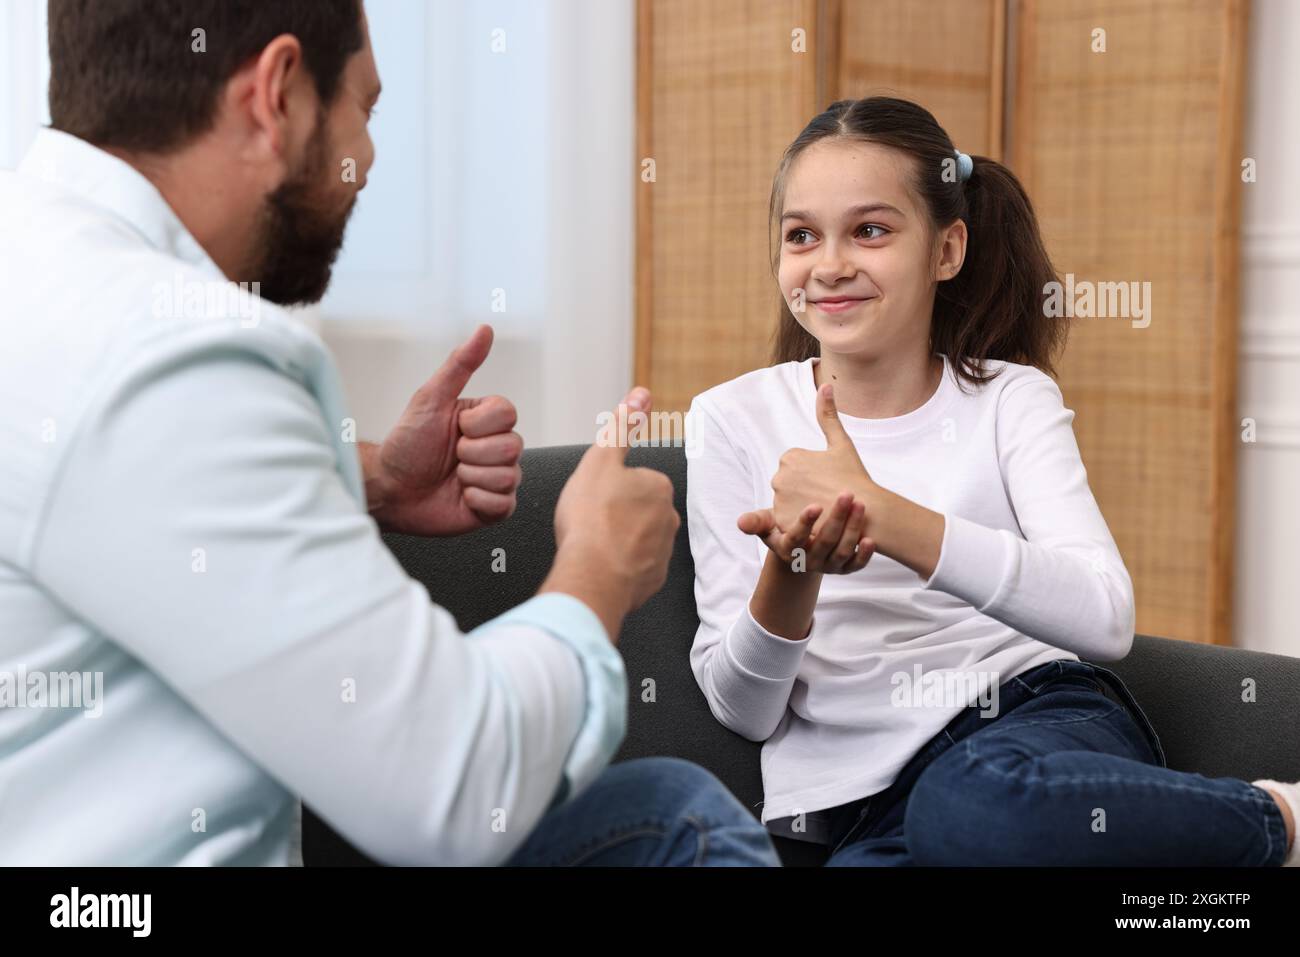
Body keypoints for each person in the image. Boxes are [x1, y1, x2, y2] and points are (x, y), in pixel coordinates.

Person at [0, 0, 778, 867]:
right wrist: (598, 563)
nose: (364, 163)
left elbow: (130, 493)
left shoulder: (38, 268)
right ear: (277, 95)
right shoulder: (171, 350)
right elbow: (456, 789)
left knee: (669, 810)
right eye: (362, 113)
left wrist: (372, 479)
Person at [685, 95, 1299, 866]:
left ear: (947, 250)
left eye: (870, 230)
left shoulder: (1009, 399)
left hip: (1030, 730)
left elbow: (1105, 616)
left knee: (972, 802)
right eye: (802, 234)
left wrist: (891, 518)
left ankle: (1280, 819)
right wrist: (793, 568)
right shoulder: (728, 419)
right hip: (851, 814)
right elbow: (744, 709)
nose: (830, 262)